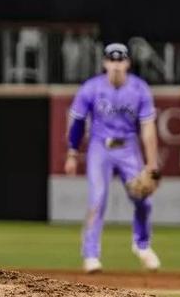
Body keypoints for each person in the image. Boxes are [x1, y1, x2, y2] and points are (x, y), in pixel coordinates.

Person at [64, 43, 161, 273]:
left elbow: (148, 129)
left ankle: (142, 245)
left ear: (127, 63)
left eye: (120, 60)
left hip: (128, 146)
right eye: (112, 60)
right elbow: (77, 123)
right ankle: (90, 255)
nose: (116, 65)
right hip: (100, 146)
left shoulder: (140, 89)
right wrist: (71, 153)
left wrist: (152, 164)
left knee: (143, 199)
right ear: (105, 63)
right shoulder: (91, 88)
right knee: (97, 199)